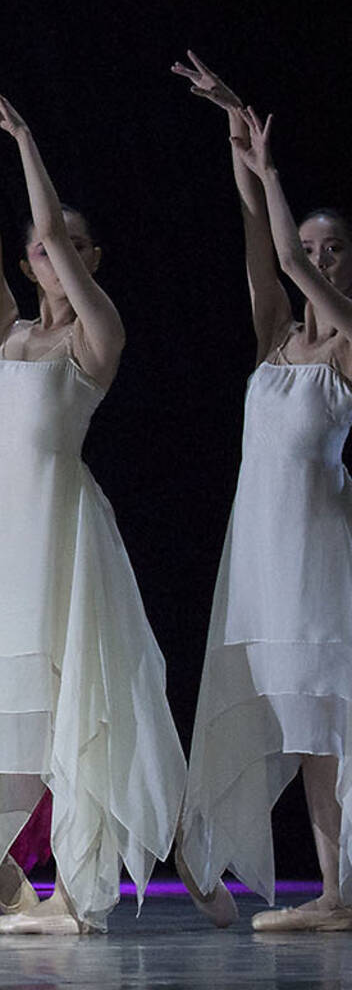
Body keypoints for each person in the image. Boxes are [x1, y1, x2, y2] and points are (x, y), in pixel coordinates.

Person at [0, 77, 185, 935]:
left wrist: (23, 136)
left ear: (91, 259)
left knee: (72, 697)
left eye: (70, 245)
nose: (51, 252)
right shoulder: (5, 329)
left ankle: (79, 890)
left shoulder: (94, 335)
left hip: (58, 535)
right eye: (43, 246)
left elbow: (36, 229)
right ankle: (20, 882)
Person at [175, 54, 352, 932]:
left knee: (330, 723)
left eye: (332, 250)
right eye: (311, 249)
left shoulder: (348, 340)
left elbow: (280, 249)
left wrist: (269, 165)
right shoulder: (277, 337)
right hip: (261, 553)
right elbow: (261, 246)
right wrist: (236, 142)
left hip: (321, 557)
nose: (313, 260)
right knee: (286, 719)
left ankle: (337, 890)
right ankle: (271, 871)